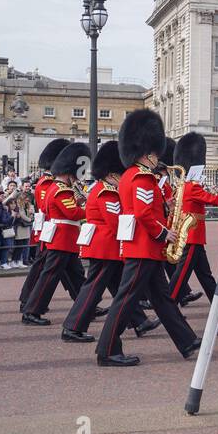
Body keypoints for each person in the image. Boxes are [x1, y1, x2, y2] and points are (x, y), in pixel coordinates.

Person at [94, 110, 199, 367]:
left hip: (146, 247)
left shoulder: (133, 175)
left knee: (162, 298)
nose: (158, 159)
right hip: (142, 246)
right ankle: (107, 349)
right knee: (126, 299)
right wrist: (165, 232)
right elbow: (142, 213)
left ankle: (186, 340)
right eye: (155, 154)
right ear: (148, 152)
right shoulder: (141, 176)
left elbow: (147, 208)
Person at [60, 140, 157, 343]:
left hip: (106, 247)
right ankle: (72, 327)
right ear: (112, 175)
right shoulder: (107, 193)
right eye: (120, 176)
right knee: (93, 289)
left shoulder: (106, 189)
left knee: (121, 287)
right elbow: (116, 223)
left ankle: (139, 321)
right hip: (104, 247)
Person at [22, 142, 89, 325]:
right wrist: (90, 206)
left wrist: (80, 201)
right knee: (48, 278)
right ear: (68, 173)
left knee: (76, 275)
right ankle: (31, 311)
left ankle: (87, 306)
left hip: (66, 240)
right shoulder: (60, 191)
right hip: (62, 240)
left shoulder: (60, 189)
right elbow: (73, 213)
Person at [167, 132, 218, 304]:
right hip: (192, 234)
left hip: (194, 234)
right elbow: (214, 200)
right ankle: (169, 302)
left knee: (205, 274)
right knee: (182, 273)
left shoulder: (183, 186)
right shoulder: (192, 187)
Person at [17, 138, 71, 312]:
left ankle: (85, 302)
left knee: (70, 270)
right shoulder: (47, 183)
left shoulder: (52, 181)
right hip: (51, 230)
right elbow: (48, 209)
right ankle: (28, 299)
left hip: (56, 231)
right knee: (43, 267)